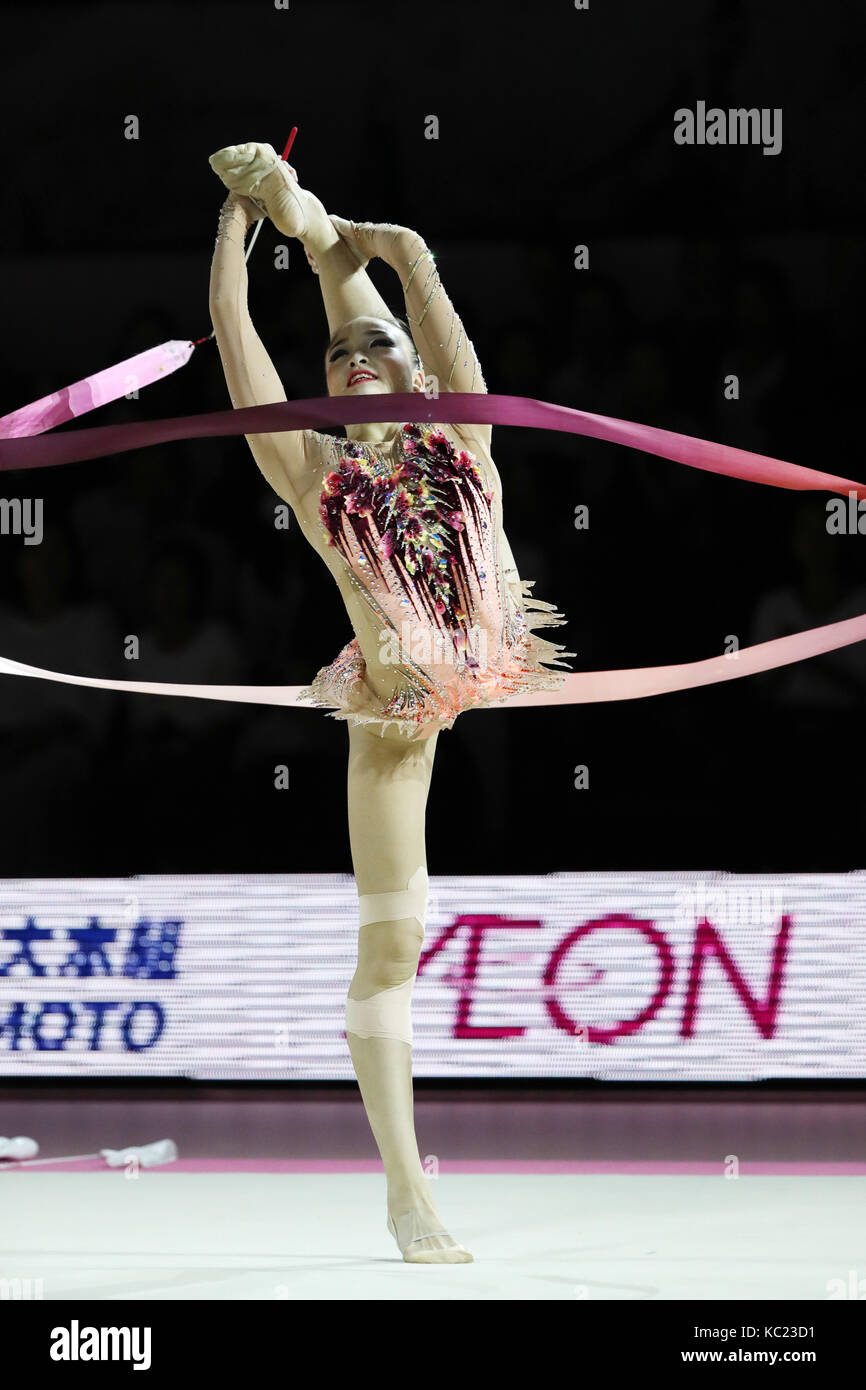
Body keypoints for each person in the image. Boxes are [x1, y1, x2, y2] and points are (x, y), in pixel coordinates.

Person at [207, 142, 574, 1262]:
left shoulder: (462, 432)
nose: (359, 359)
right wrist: (236, 223)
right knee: (395, 944)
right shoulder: (315, 472)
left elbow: (418, 329)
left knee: (345, 264)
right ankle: (407, 1192)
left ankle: (312, 222)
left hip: (489, 659)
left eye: (381, 349)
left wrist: (393, 253)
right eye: (342, 353)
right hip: (395, 702)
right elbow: (239, 344)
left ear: (416, 372)